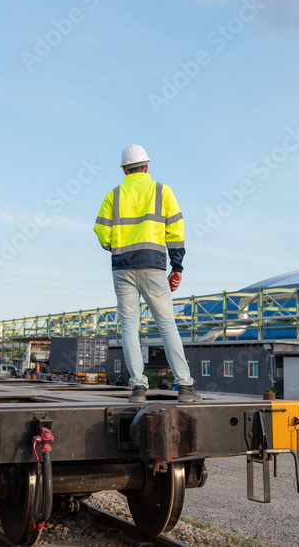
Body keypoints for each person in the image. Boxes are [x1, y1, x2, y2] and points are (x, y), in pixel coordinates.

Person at [94, 144, 202, 404]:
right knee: (167, 325)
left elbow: (101, 231)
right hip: (154, 266)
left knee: (129, 326)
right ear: (146, 166)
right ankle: (185, 386)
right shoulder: (162, 192)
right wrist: (177, 267)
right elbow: (176, 231)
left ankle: (138, 388)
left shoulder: (113, 196)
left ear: (123, 169)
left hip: (122, 267)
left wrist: (116, 246)